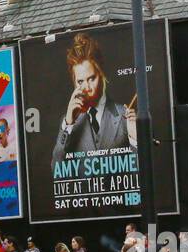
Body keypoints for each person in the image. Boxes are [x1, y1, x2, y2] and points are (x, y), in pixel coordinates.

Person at [51, 33, 135, 164]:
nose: (86, 88)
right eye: (80, 82)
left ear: (101, 75)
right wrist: (68, 124)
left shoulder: (125, 116)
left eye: (91, 79)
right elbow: (56, 170)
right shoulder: (68, 122)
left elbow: (143, 170)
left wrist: (135, 139)